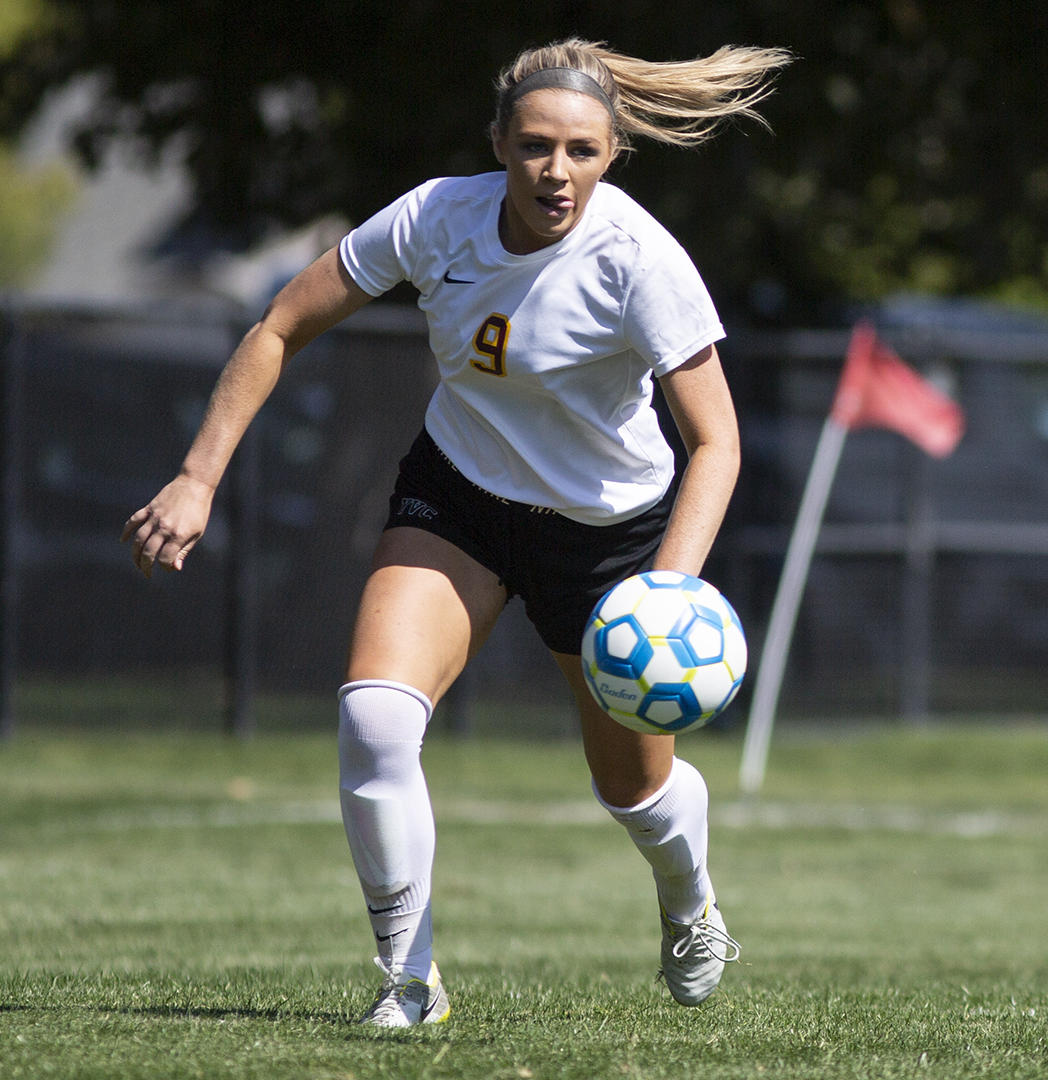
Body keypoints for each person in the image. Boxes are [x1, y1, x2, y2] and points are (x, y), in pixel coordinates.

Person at [122, 38, 791, 1027]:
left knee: (633, 791)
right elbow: (280, 325)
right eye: (535, 146)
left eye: (582, 151)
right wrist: (196, 476)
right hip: (461, 498)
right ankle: (409, 979)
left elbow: (717, 442)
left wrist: (669, 589)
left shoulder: (639, 259)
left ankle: (690, 904)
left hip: (605, 535)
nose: (556, 171)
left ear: (612, 155)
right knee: (375, 719)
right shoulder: (438, 216)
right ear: (498, 144)